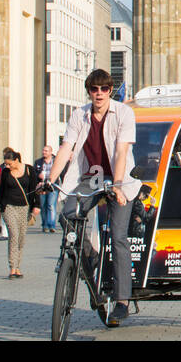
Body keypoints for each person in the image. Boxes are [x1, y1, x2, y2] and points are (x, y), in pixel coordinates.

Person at [47, 68, 141, 325]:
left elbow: (121, 152)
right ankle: (90, 262)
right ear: (88, 91)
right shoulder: (80, 114)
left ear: (110, 90)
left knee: (118, 236)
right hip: (90, 179)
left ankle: (122, 301)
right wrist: (49, 180)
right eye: (93, 89)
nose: (99, 93)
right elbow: (67, 148)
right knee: (67, 217)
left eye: (104, 89)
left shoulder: (123, 113)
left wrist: (119, 186)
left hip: (120, 180)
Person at [0, 149, 39, 277]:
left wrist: (36, 205)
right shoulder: (5, 172)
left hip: (24, 207)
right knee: (14, 234)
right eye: (5, 164)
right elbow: (1, 190)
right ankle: (12, 267)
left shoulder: (29, 170)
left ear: (16, 160)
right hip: (9, 207)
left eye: (9, 164)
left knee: (21, 238)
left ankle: (18, 266)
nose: (7, 166)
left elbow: (34, 189)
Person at [34, 145, 57, 232]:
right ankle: (45, 225)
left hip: (53, 186)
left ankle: (52, 225)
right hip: (42, 186)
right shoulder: (38, 162)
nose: (44, 152)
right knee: (43, 205)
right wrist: (38, 175)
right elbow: (34, 173)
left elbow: (62, 173)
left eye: (46, 151)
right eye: (43, 150)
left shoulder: (55, 161)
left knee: (51, 205)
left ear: (51, 152)